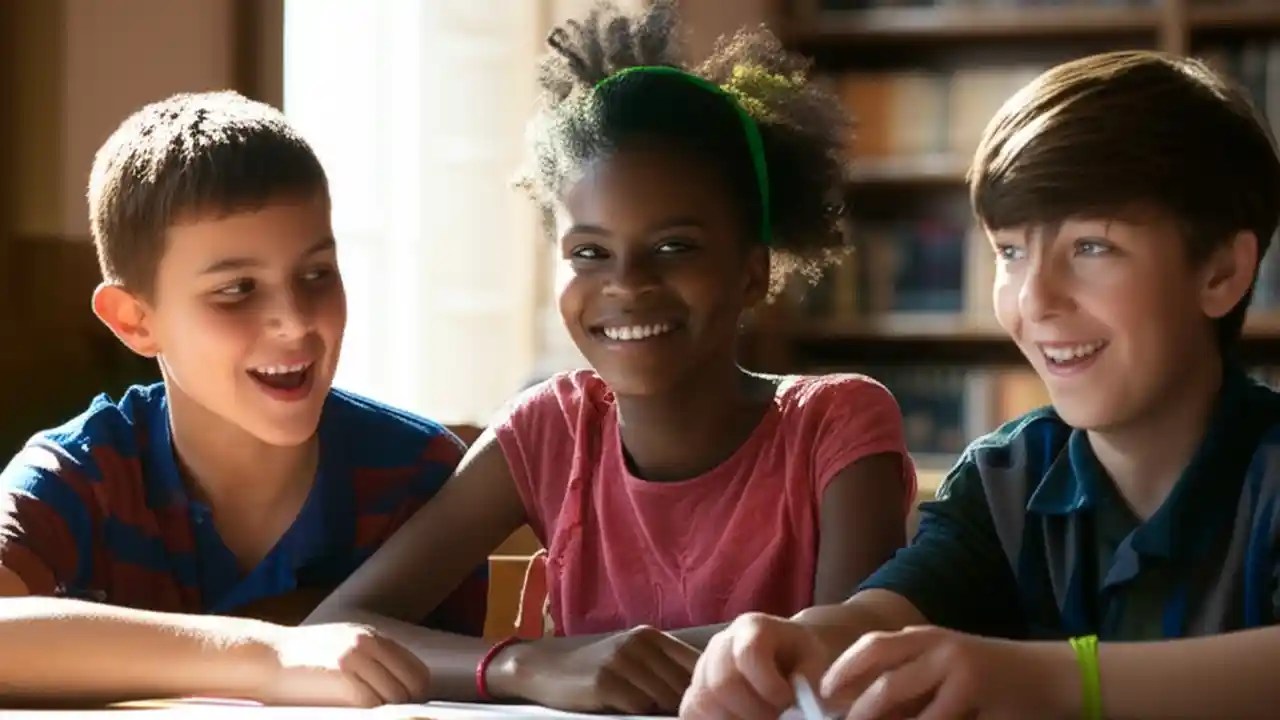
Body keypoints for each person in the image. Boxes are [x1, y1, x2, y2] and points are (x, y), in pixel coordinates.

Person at [305, 1, 916, 715]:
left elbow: (842, 657)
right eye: (589, 253)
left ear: (752, 272)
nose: (626, 284)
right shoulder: (549, 431)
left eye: (674, 247)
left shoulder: (837, 425)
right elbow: (337, 631)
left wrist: (620, 659)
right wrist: (526, 666)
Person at [679, 49, 1280, 720]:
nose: (1035, 298)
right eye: (1011, 252)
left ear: (1222, 272)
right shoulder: (1006, 478)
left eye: (1091, 247)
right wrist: (801, 640)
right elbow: (886, 613)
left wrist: (1045, 680)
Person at [0, 90, 484, 707]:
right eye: (236, 290)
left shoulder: (421, 478)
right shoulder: (79, 475)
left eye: (316, 275)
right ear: (134, 321)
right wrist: (268, 657)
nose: (295, 322)